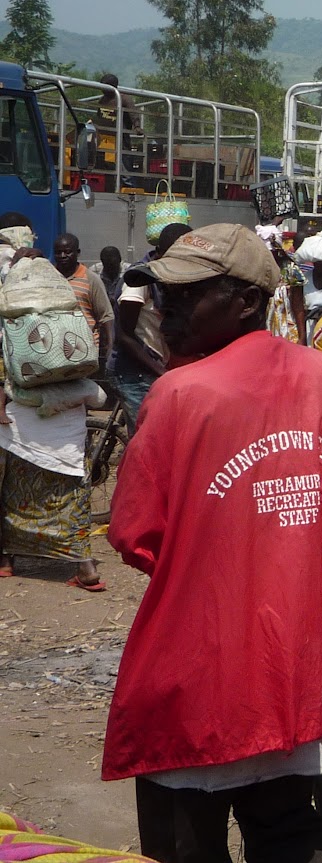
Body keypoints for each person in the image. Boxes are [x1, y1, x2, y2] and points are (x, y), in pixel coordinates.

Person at [101, 223, 322, 863]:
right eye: (161, 297)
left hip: (200, 680)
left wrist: (231, 549)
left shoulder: (179, 395)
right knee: (298, 843)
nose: (164, 311)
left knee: (185, 860)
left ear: (245, 301)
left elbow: (136, 534)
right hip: (302, 680)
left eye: (184, 296)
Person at [0, 257, 107, 591]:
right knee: (72, 489)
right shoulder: (64, 311)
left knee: (16, 488)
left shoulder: (11, 318)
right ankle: (85, 567)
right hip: (69, 417)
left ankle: (6, 560)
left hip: (23, 417)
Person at [110, 223, 190, 425]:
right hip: (134, 372)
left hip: (154, 367)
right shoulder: (139, 280)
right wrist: (160, 372)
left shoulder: (166, 278)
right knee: (147, 434)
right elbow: (123, 336)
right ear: (161, 253)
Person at [53, 233, 115, 370]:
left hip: (85, 350)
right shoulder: (50, 277)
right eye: (58, 252)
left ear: (77, 253)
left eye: (67, 252)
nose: (62, 256)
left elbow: (106, 315)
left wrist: (110, 348)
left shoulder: (90, 279)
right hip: (55, 350)